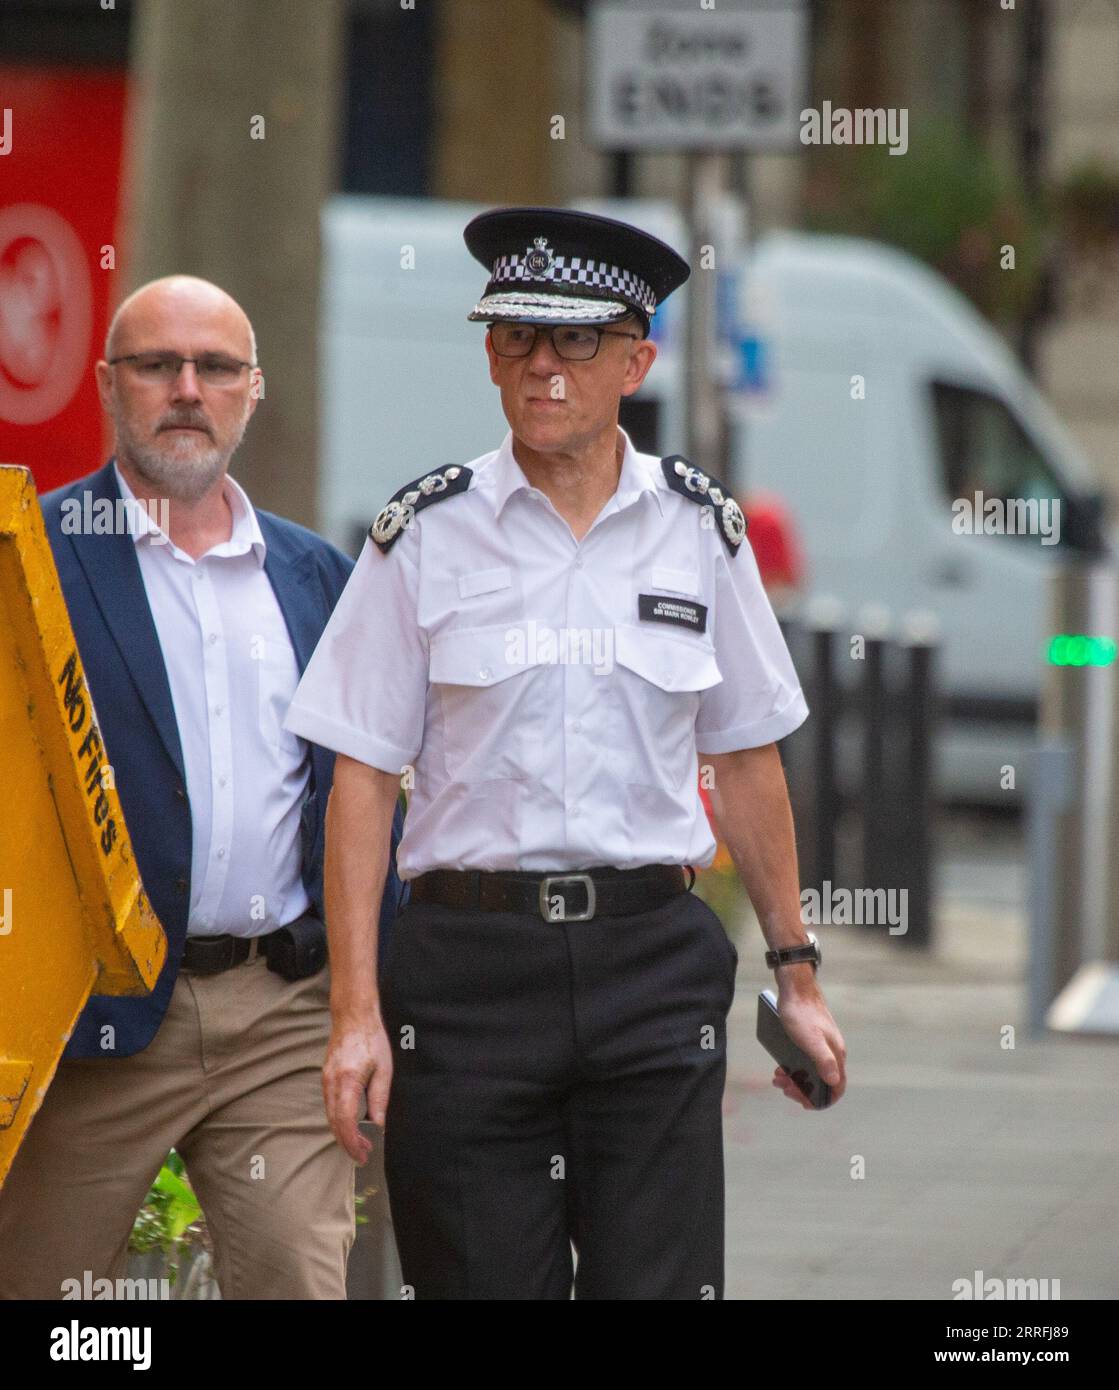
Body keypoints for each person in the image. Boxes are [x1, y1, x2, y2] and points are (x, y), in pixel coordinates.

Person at [284, 208, 847, 1301]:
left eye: (576, 340)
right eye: (515, 340)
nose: (542, 365)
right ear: (490, 356)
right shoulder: (422, 535)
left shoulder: (701, 531)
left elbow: (746, 761)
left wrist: (798, 974)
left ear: (637, 360)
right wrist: (355, 1017)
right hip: (466, 978)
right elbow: (359, 784)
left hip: (650, 961)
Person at [0, 275, 403, 1300]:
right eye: (158, 365)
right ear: (108, 384)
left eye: (216, 367)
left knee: (296, 1282)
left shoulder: (316, 576)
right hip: (97, 1015)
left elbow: (369, 787)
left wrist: (368, 1000)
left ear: (253, 389)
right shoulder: (34, 560)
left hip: (280, 1010)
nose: (188, 388)